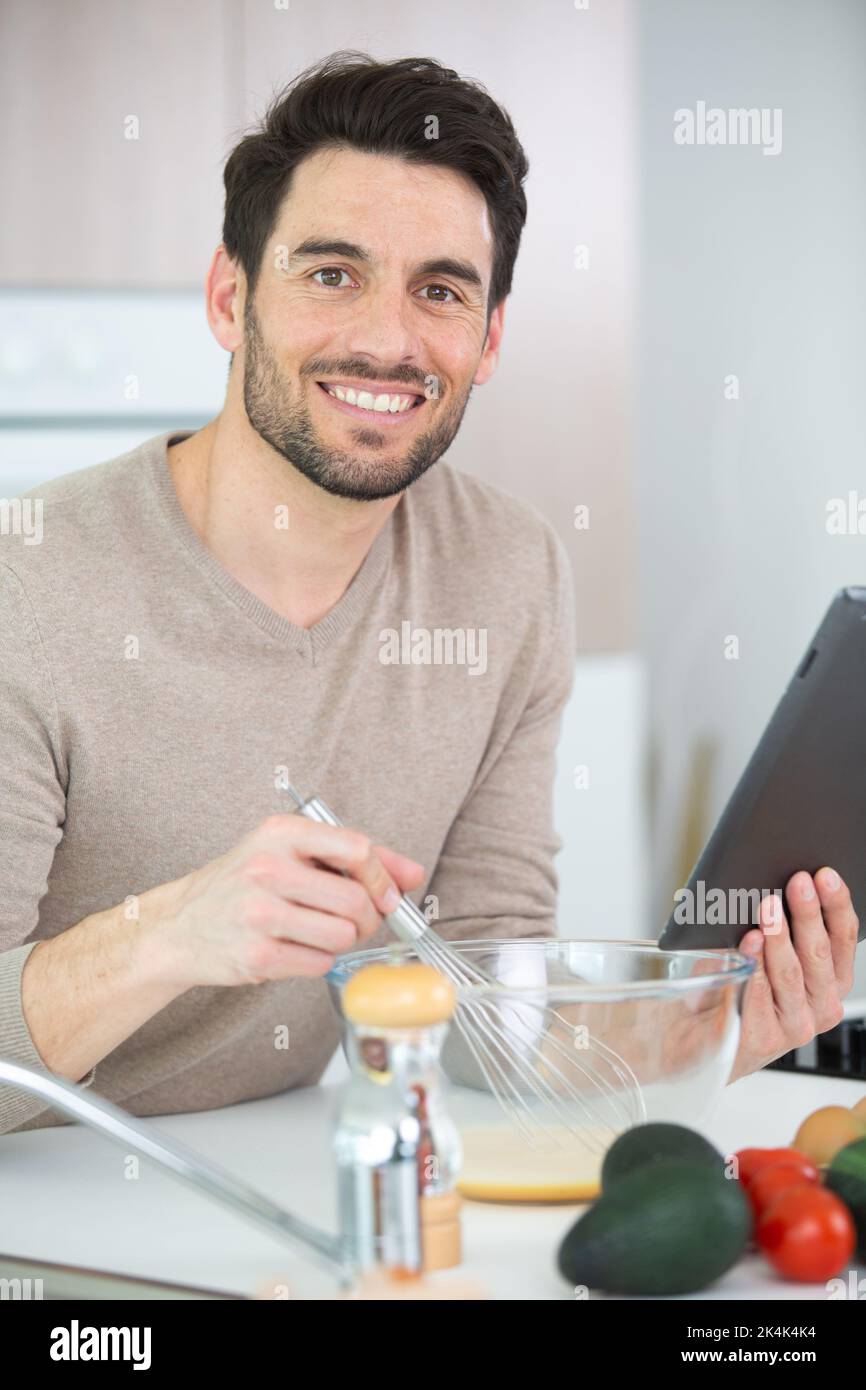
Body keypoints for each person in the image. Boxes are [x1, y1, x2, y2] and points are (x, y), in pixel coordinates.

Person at [0, 53, 856, 1136]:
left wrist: (712, 1035)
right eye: (330, 273)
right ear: (229, 297)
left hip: (285, 1184)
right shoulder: (27, 588)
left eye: (439, 291)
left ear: (488, 339)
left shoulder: (506, 571)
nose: (386, 340)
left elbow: (489, 1023)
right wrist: (166, 932)